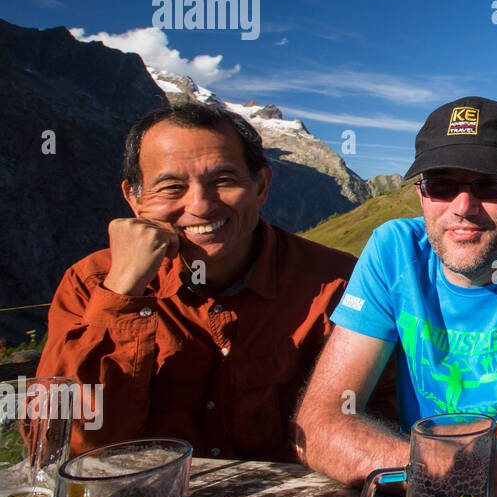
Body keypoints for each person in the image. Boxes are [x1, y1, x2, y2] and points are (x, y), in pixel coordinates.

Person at [292, 97, 497, 497]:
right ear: (421, 194)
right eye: (441, 185)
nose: (463, 206)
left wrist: (411, 444)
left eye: (489, 185)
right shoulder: (392, 250)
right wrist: (436, 467)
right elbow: (317, 426)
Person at [36, 103, 356, 462]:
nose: (200, 206)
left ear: (261, 186)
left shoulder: (340, 284)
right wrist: (122, 292)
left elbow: (372, 421)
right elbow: (56, 445)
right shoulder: (91, 283)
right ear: (135, 199)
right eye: (171, 188)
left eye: (223, 181)